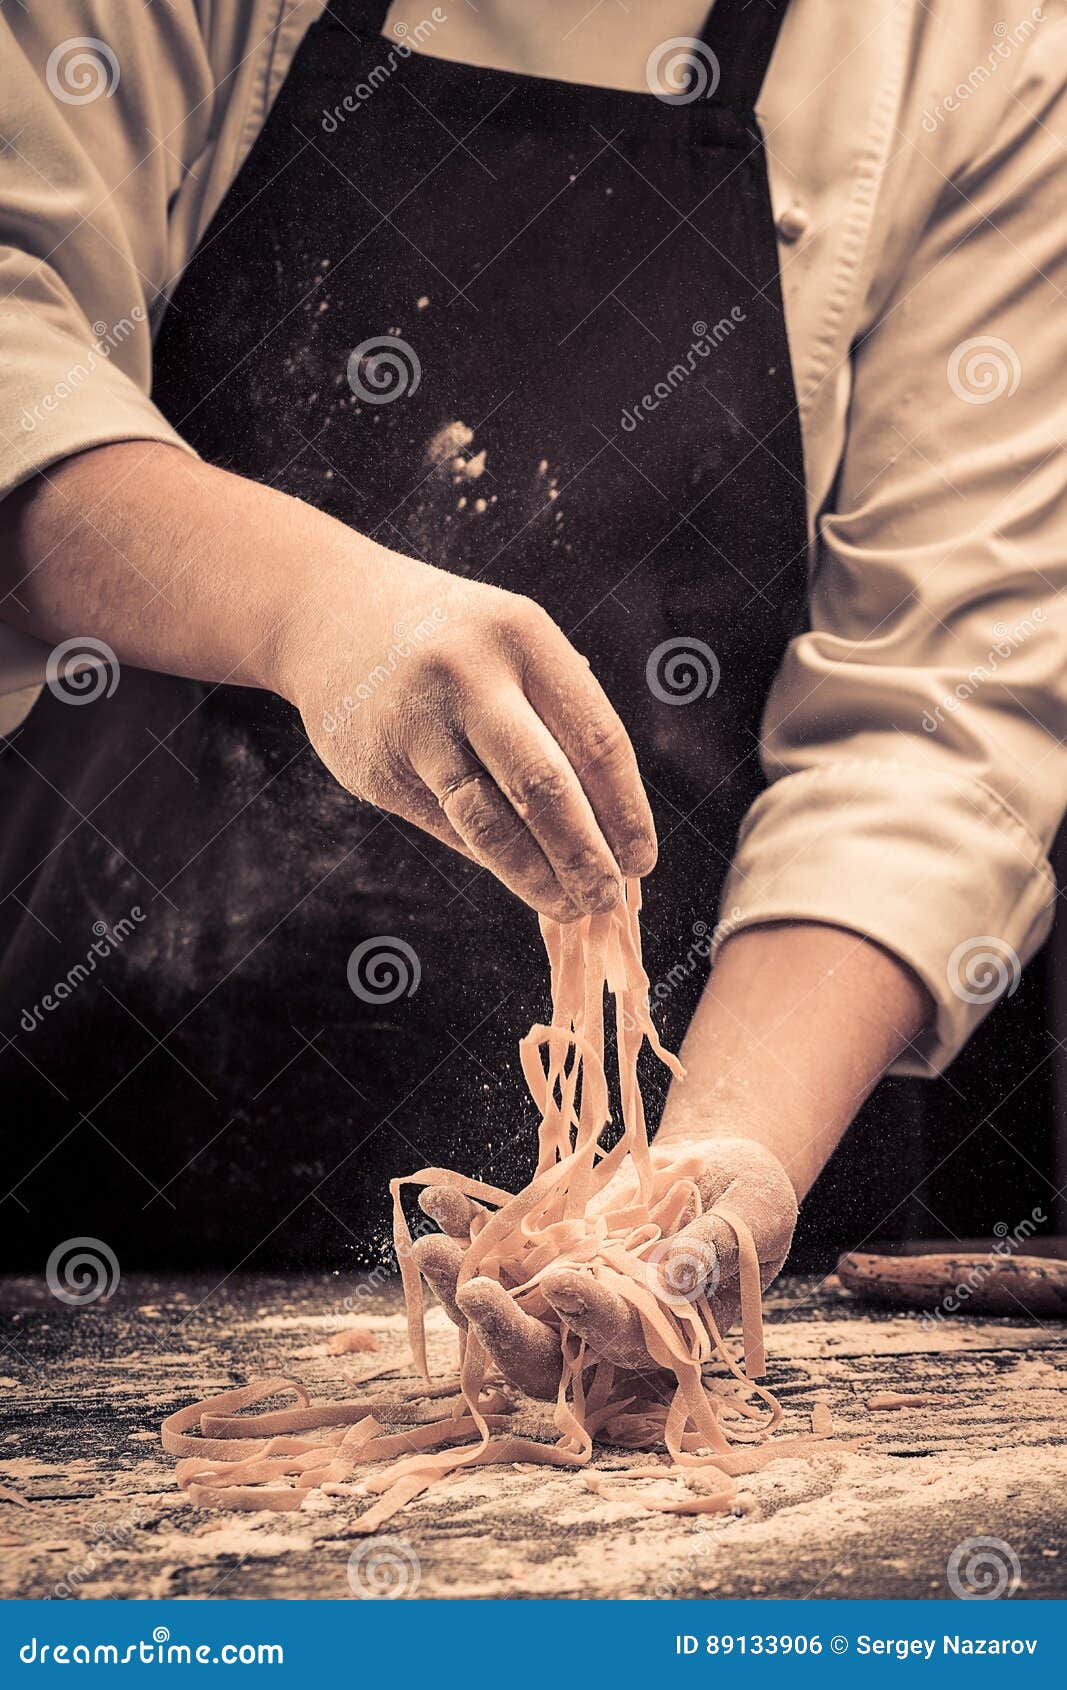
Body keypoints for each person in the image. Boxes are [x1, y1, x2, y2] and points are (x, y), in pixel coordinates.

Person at [1, 3, 1063, 1385]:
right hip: (83, 1158)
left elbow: (938, 710)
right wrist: (306, 608)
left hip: (726, 1064)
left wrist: (678, 1211)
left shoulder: (980, 41)